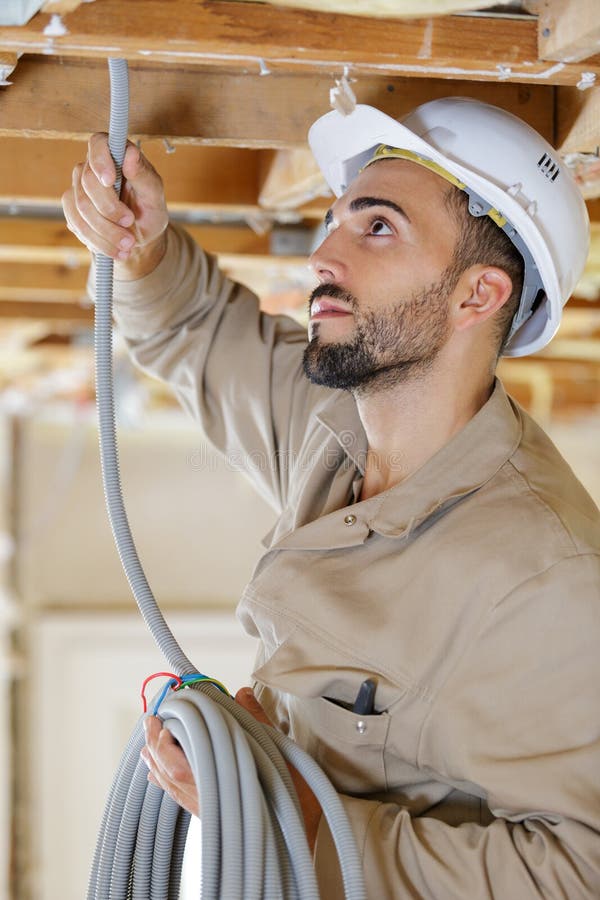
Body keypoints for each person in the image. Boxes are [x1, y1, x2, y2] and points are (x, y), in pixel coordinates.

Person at [63, 97, 600, 898]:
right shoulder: (336, 424)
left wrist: (294, 817)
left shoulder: (541, 576)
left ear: (477, 295)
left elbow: (580, 871)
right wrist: (142, 251)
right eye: (335, 221)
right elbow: (201, 326)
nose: (323, 255)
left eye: (376, 228)